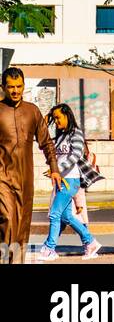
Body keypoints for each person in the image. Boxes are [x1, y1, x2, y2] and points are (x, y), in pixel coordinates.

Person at [0, 66, 62, 264]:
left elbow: (46, 142)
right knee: (7, 220)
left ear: (24, 86)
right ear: (3, 87)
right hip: (2, 178)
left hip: (26, 180)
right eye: (11, 87)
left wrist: (54, 168)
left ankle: (16, 262)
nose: (15, 91)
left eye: (19, 86)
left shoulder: (32, 111)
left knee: (22, 225)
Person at [36, 104, 101, 261]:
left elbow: (75, 156)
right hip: (60, 181)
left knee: (54, 214)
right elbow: (51, 155)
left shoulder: (76, 133)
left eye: (58, 118)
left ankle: (49, 248)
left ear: (67, 116)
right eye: (54, 118)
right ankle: (90, 242)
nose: (56, 121)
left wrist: (57, 169)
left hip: (70, 180)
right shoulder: (60, 136)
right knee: (67, 217)